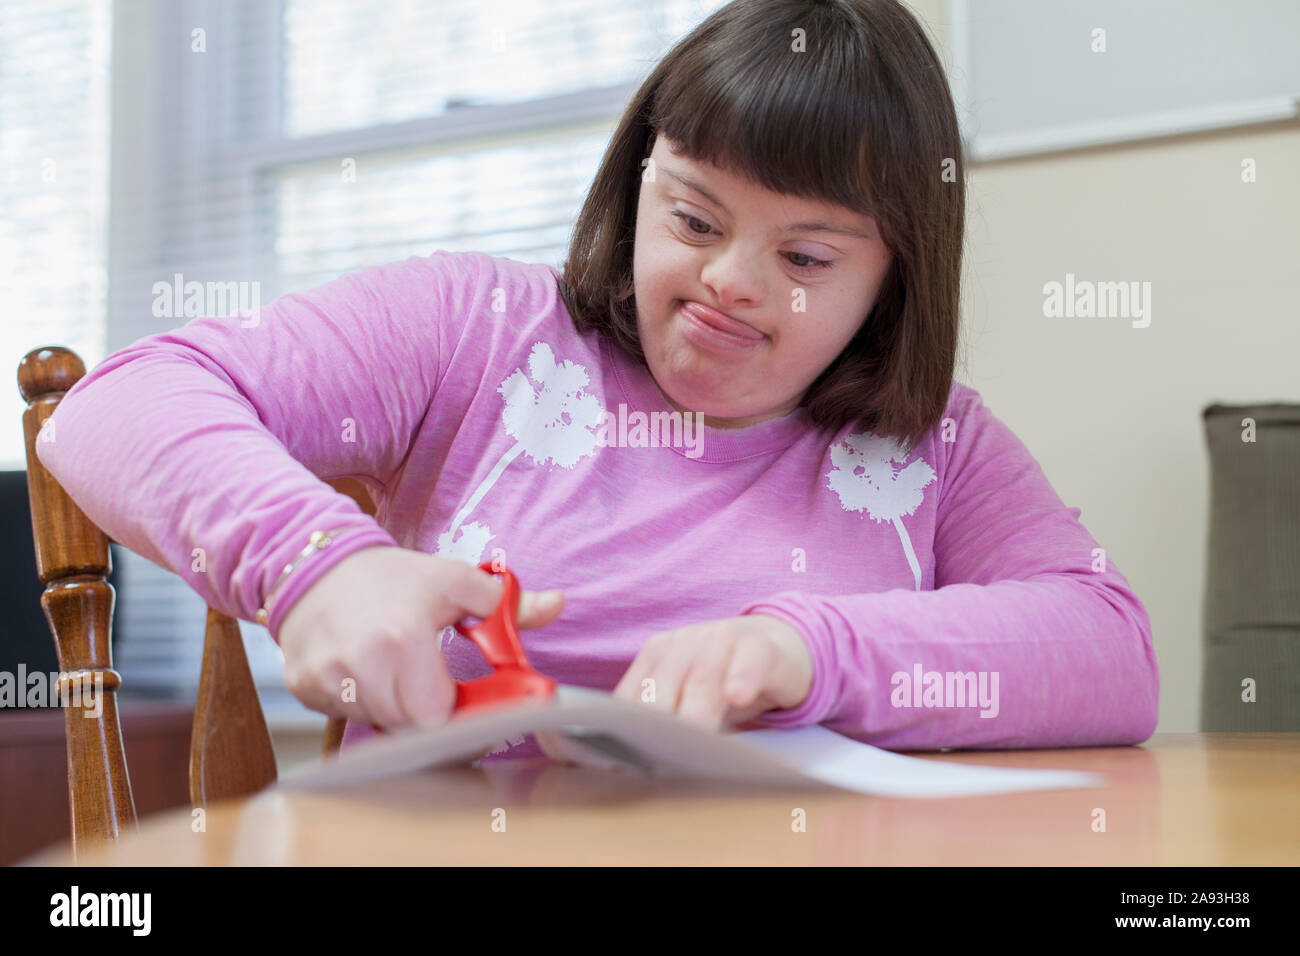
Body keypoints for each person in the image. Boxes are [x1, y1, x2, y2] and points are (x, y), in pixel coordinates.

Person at [37, 0, 1158, 761]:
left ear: (891, 277)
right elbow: (116, 406)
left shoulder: (935, 446)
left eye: (806, 258)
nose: (728, 282)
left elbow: (1111, 653)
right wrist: (315, 562)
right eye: (691, 216)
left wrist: (804, 649)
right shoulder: (475, 329)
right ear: (637, 185)